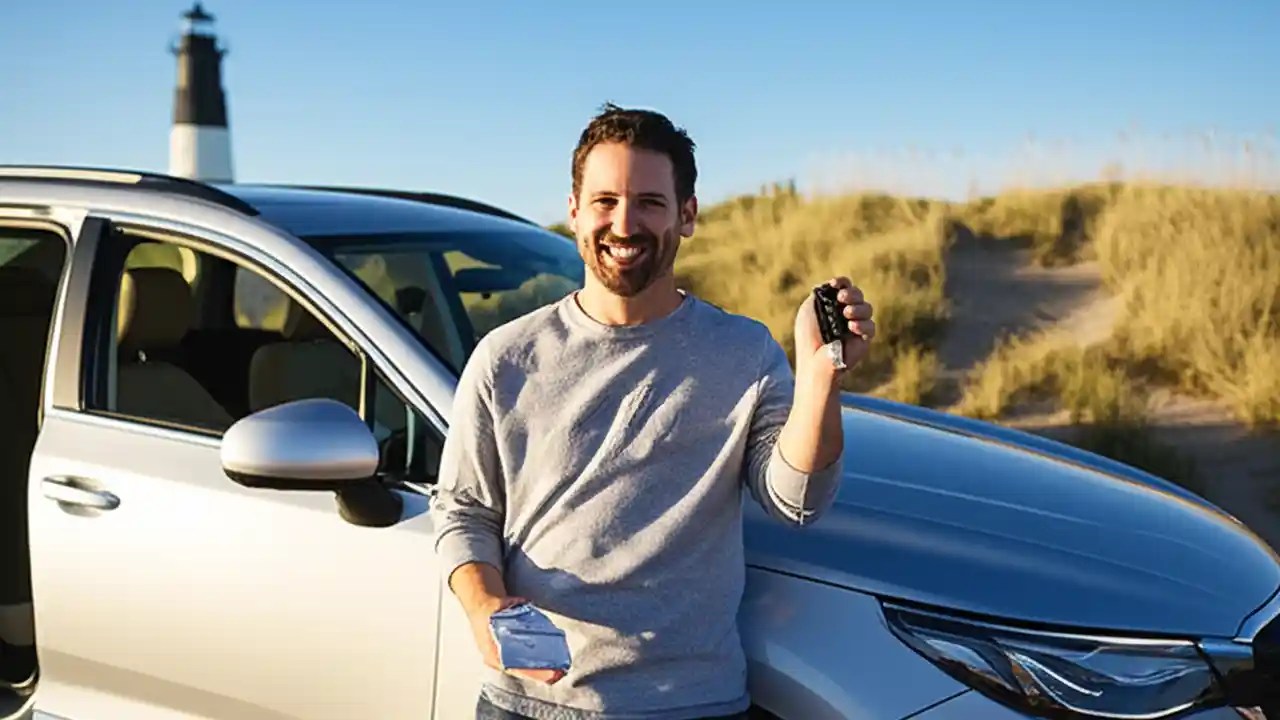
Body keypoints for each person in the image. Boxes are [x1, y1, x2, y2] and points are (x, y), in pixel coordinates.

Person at [432, 103, 876, 720]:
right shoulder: (507, 358)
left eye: (649, 202)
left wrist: (820, 377)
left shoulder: (742, 352)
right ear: (574, 211)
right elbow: (463, 509)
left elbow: (795, 500)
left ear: (687, 215)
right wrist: (484, 607)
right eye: (605, 200)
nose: (623, 223)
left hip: (693, 705)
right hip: (532, 704)